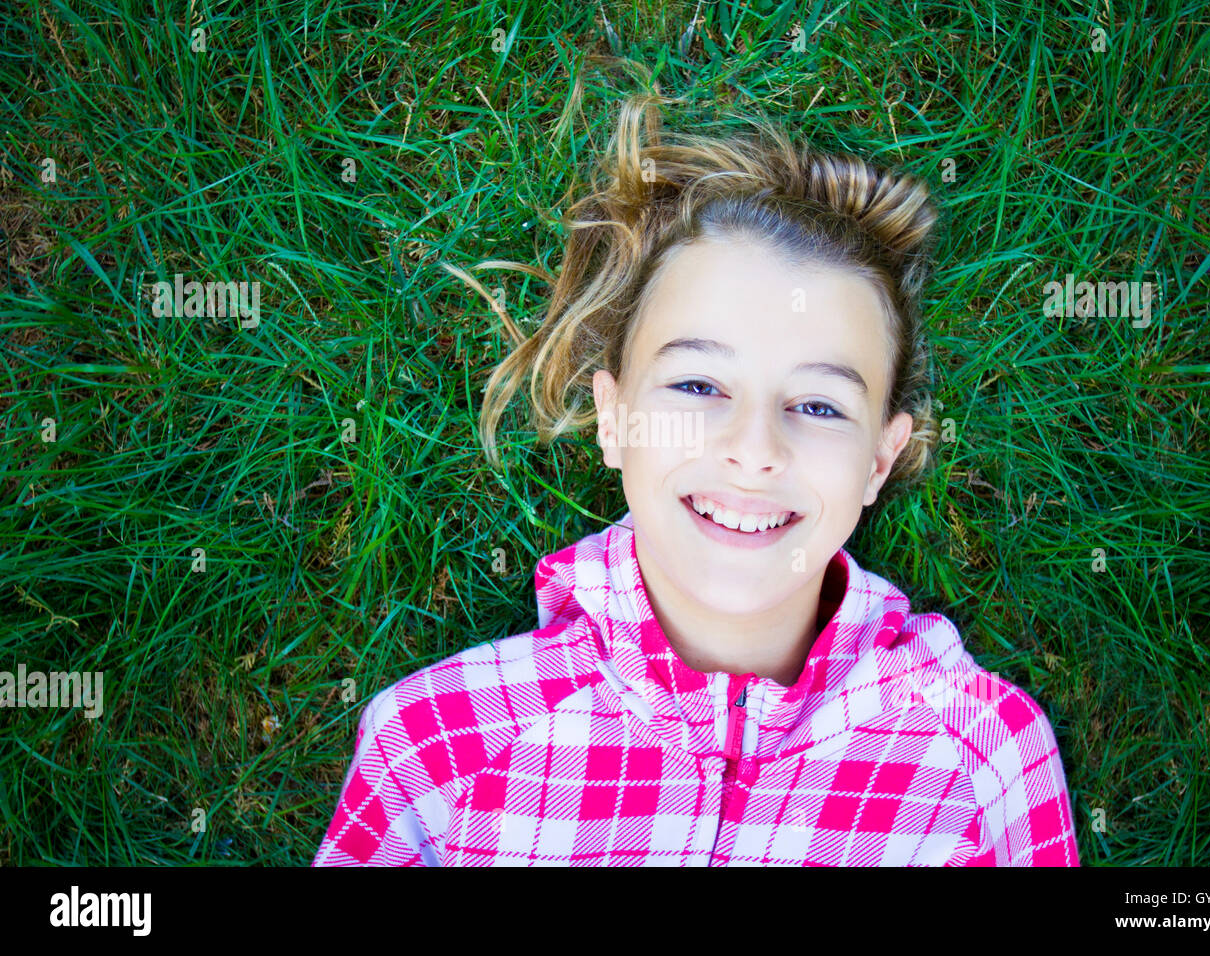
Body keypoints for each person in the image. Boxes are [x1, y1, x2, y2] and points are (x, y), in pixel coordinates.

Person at [313, 92, 1080, 866]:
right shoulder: (436, 746)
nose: (754, 450)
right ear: (614, 422)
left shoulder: (985, 756)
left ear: (879, 461)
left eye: (817, 404)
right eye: (699, 386)